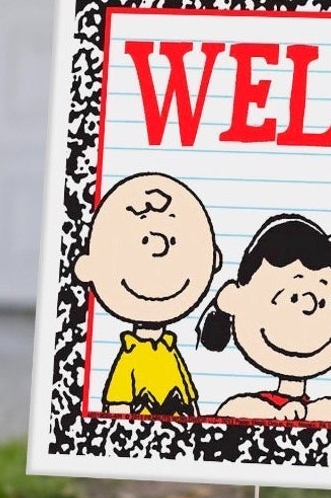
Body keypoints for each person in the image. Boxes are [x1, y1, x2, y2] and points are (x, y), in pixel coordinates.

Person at [75, 173, 221, 416]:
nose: (158, 248)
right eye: (145, 240)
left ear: (212, 259)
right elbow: (118, 403)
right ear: (89, 267)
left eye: (172, 241)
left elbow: (188, 396)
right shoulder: (131, 354)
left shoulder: (169, 348)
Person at [198, 214, 331, 424]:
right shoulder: (249, 408)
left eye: (325, 303)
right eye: (291, 298)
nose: (307, 310)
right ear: (234, 299)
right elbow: (229, 413)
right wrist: (274, 417)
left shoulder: (320, 410)